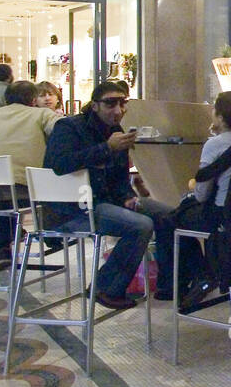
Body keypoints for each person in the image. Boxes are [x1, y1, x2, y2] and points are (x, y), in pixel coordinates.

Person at [42, 81, 153, 310]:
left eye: (123, 103)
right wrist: (106, 148)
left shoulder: (117, 132)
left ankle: (175, 283)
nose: (118, 110)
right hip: (71, 209)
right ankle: (105, 288)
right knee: (140, 225)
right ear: (94, 106)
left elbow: (119, 179)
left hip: (102, 203)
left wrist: (127, 196)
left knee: (167, 213)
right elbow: (58, 165)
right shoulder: (69, 127)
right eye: (110, 103)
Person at [153, 91, 231, 309]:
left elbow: (202, 194)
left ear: (221, 116)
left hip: (223, 216)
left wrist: (193, 187)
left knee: (169, 221)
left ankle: (193, 278)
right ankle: (212, 278)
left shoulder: (215, 145)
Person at [0, 80, 62, 273]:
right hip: (21, 190)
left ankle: (1, 249)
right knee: (48, 182)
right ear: (33, 100)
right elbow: (62, 132)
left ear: (5, 99)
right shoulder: (41, 114)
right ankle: (53, 234)